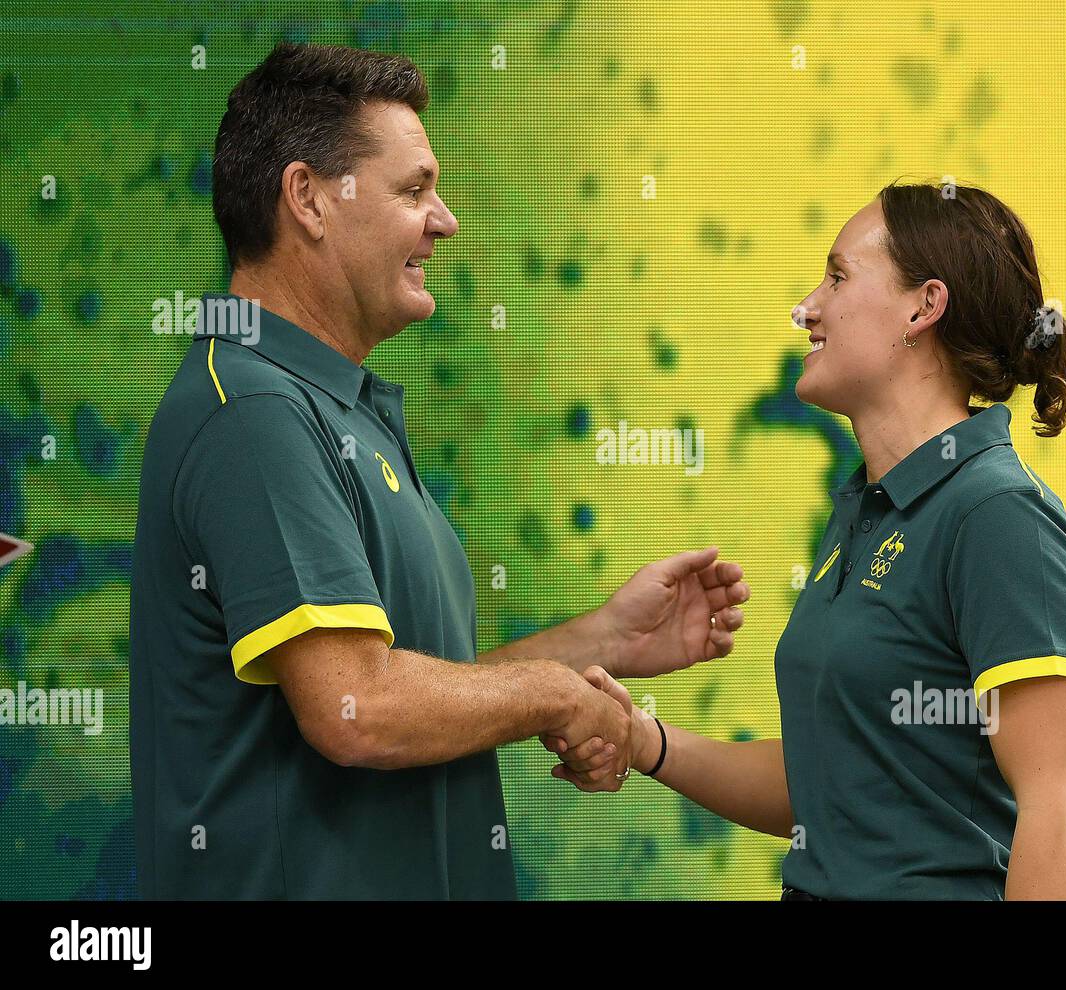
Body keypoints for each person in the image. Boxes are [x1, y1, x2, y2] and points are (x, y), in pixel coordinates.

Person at [128, 42, 750, 900]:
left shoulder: (326, 406)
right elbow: (357, 708)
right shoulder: (255, 414)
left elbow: (399, 681)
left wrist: (595, 647)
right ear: (309, 198)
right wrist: (554, 698)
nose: (445, 219)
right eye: (414, 189)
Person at [549, 182, 1066, 901]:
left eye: (837, 277)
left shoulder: (998, 517)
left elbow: (1060, 810)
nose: (806, 307)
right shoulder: (867, 509)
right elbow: (831, 779)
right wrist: (646, 741)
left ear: (922, 307)